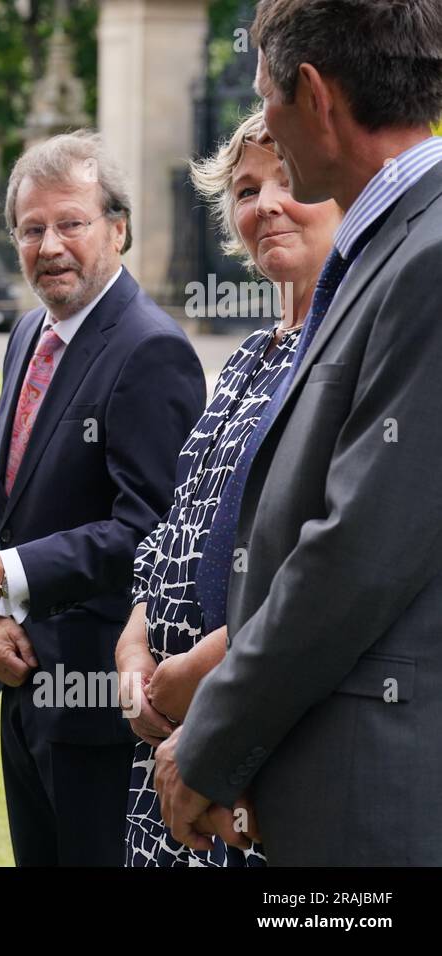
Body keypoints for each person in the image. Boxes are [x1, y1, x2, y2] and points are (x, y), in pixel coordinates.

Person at [155, 0, 442, 866]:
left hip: (374, 802)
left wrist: (208, 740)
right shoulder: (395, 241)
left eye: (265, 94)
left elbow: (356, 553)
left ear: (312, 94)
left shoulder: (425, 256)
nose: (265, 122)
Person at [0, 131, 205, 866]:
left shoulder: (150, 350)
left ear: (119, 227)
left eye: (70, 223)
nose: (49, 245)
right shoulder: (27, 335)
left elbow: (150, 533)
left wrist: (4, 573)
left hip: (102, 710)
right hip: (23, 691)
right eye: (31, 229)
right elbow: (0, 495)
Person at [119, 107, 341, 867]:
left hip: (254, 744)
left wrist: (189, 678)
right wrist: (134, 640)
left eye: (290, 182)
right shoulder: (250, 353)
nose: (267, 204)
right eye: (246, 189)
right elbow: (180, 520)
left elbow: (323, 571)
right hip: (169, 745)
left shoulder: (350, 352)